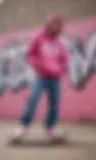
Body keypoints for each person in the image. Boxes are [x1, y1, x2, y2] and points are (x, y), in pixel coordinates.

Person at [10, 13, 68, 143]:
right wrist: (40, 66)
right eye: (55, 23)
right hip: (40, 76)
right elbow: (30, 54)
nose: (57, 26)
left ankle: (50, 129)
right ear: (48, 24)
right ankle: (23, 128)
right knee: (32, 99)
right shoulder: (39, 38)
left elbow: (64, 60)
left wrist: (61, 69)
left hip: (55, 78)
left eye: (59, 24)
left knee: (54, 104)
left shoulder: (59, 43)